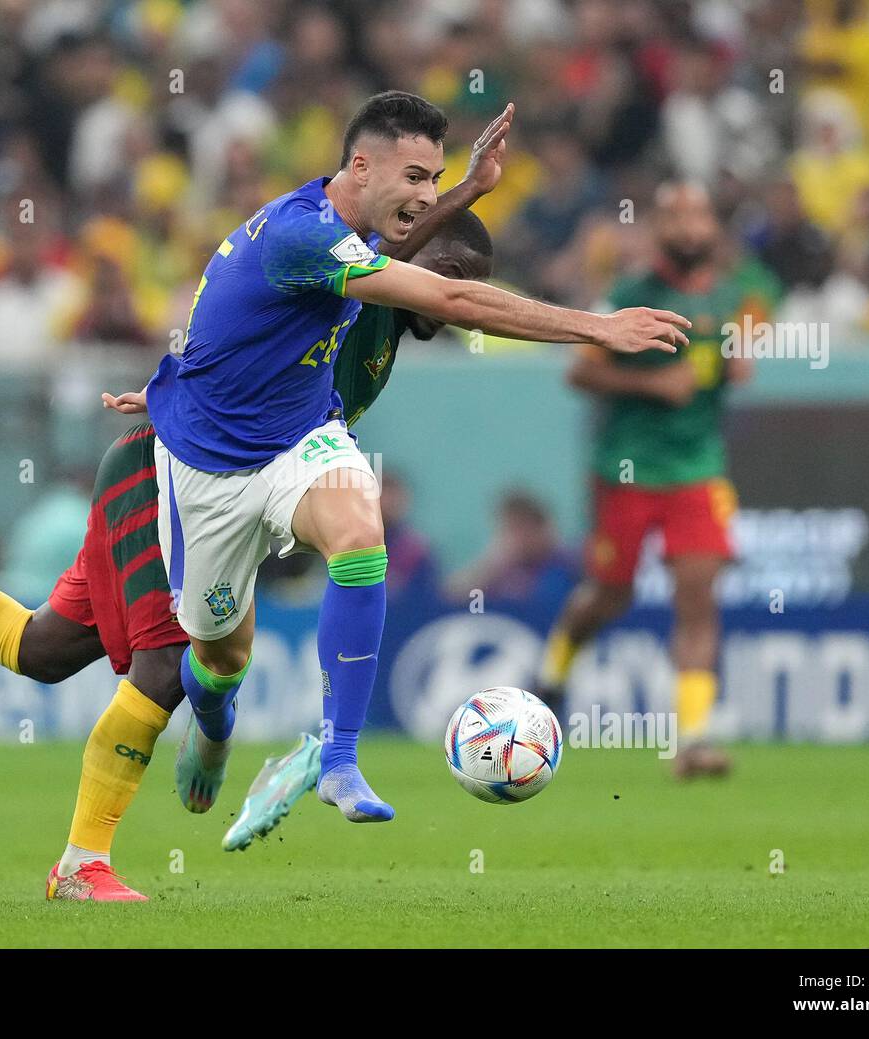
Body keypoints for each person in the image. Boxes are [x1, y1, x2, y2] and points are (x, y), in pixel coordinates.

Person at [0, 108, 502, 900]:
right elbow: (365, 257)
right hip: (161, 469)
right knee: (165, 664)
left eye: (465, 288)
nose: (454, 298)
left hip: (202, 475)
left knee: (47, 648)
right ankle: (80, 863)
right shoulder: (351, 276)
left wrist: (466, 189)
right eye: (451, 279)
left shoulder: (371, 320)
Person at [136, 90, 687, 829]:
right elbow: (449, 293)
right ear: (361, 165)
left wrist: (468, 190)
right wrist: (598, 325)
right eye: (418, 177)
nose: (427, 194)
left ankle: (339, 761)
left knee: (362, 533)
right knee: (218, 655)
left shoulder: (354, 252)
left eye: (434, 179)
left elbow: (410, 262)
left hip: (301, 440)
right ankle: (212, 719)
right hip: (210, 467)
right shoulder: (306, 239)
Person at [535, 181, 753, 778]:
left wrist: (734, 367)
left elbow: (731, 367)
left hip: (698, 470)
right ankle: (552, 673)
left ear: (712, 227)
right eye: (675, 216)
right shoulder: (632, 292)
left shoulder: (733, 295)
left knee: (698, 600)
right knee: (612, 594)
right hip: (627, 471)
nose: (689, 227)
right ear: (657, 228)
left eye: (699, 215)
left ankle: (695, 740)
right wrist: (652, 385)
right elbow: (581, 374)